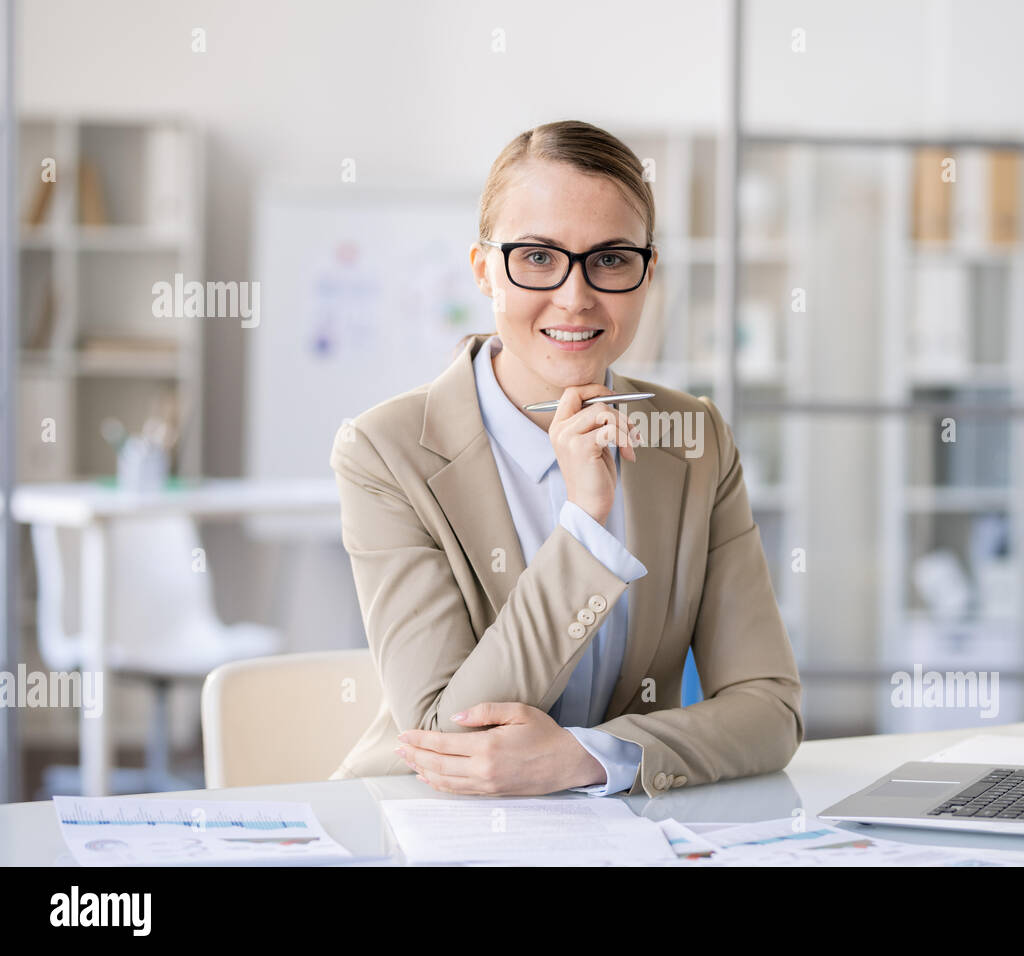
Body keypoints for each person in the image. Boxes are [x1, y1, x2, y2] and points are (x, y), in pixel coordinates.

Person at [328, 119, 802, 797]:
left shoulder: (694, 438)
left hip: (619, 831)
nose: (575, 296)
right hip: (429, 820)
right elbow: (452, 735)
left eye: (610, 259)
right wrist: (586, 521)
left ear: (647, 274)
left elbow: (769, 712)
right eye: (539, 257)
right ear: (485, 270)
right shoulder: (386, 452)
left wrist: (592, 757)